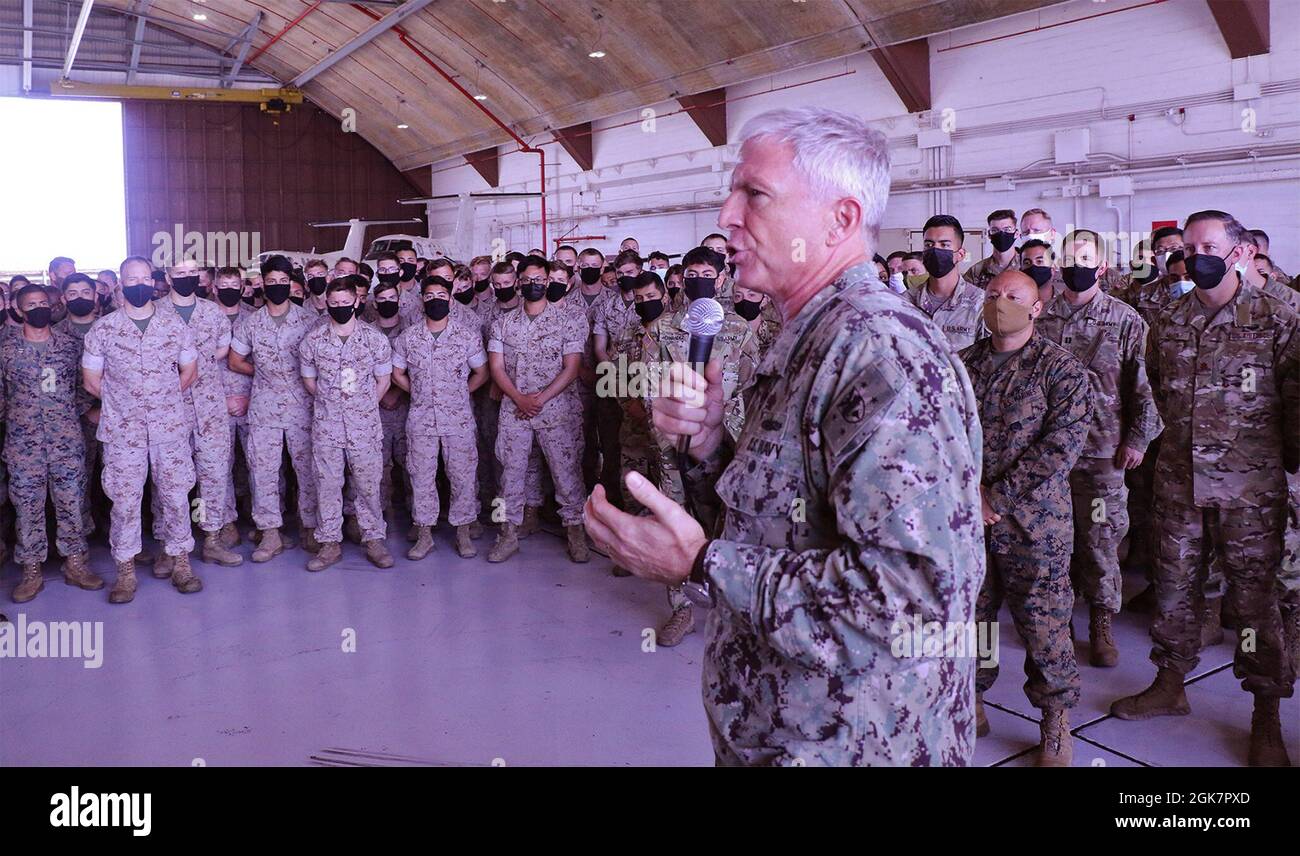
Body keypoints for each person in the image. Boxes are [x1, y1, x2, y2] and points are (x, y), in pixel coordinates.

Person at [585, 106, 984, 766]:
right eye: (732, 191)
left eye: (755, 195)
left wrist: (701, 564)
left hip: (856, 743)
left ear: (841, 219)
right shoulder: (807, 337)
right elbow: (781, 521)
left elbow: (910, 607)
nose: (726, 217)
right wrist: (712, 444)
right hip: (784, 729)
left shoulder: (880, 352)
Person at [1112, 210, 1298, 767]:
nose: (1196, 257)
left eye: (1208, 246)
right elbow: (1149, 392)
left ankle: (1264, 712)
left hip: (1251, 489)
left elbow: (1296, 404)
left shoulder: (1279, 315)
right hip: (1176, 482)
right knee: (1173, 588)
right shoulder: (1167, 316)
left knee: (1252, 601)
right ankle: (1170, 683)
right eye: (1189, 249)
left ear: (1239, 251)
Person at [961, 269, 1090, 765]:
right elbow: (941, 430)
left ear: (1036, 308)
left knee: (1044, 622)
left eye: (1014, 296)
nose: (1000, 303)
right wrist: (968, 492)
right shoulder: (963, 364)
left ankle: (1055, 719)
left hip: (1035, 523)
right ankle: (970, 698)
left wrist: (998, 497)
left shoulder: (1061, 369)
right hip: (968, 519)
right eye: (993, 295)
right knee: (973, 616)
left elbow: (1061, 446)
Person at [1035, 230, 1162, 667]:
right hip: (1048, 453)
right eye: (1068, 258)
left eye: (1084, 258)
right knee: (1054, 541)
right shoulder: (1041, 315)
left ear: (1102, 266)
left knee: (1100, 541)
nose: (1075, 265)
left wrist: (1138, 440)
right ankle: (1059, 621)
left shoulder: (1125, 320)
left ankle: (1102, 622)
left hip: (1102, 453)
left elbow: (1144, 387)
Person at [82, 256, 201, 603]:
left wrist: (159, 397)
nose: (138, 284)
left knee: (177, 497)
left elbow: (189, 371)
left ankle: (181, 562)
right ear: (120, 284)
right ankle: (125, 571)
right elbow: (91, 381)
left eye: (144, 278)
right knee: (124, 501)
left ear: (154, 282)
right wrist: (125, 402)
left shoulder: (174, 325)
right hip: (123, 432)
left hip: (169, 428)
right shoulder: (103, 329)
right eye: (131, 279)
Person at [486, 255, 589, 564]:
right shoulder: (502, 322)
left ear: (549, 281)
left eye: (539, 280)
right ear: (519, 283)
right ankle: (508, 534)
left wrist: (539, 399)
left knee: (566, 472)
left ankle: (575, 532)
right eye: (527, 280)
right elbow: (496, 367)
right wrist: (519, 398)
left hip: (556, 409)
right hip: (514, 409)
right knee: (510, 474)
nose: (533, 285)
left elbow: (572, 368)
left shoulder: (567, 320)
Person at [3, 283, 100, 602]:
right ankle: (31, 570)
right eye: (30, 304)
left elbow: (83, 387)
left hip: (66, 441)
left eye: (43, 302)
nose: (38, 308)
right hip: (23, 443)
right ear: (18, 310)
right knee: (27, 508)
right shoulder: (5, 348)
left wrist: (73, 414)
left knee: (72, 503)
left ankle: (75, 564)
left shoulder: (70, 346)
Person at [297, 278, 395, 571]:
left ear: (356, 302)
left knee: (367, 484)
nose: (340, 308)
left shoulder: (375, 339)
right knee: (326, 485)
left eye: (345, 303)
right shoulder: (312, 341)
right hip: (327, 426)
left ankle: (374, 539)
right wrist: (333, 403)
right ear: (327, 303)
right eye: (334, 303)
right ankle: (329, 543)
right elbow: (309, 381)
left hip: (364, 426)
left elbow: (384, 380)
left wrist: (361, 406)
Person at [228, 255, 321, 562]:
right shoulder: (250, 323)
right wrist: (265, 374)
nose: (278, 287)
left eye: (284, 282)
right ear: (263, 285)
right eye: (272, 282)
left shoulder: (309, 320)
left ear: (293, 284)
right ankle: (270, 533)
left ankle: (310, 526)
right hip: (264, 407)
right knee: (263, 470)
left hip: (303, 406)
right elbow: (235, 360)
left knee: (307, 468)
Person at [391, 276, 489, 560]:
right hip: (421, 419)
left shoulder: (466, 336)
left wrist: (460, 394)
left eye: (441, 294)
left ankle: (462, 531)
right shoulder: (408, 337)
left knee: (462, 475)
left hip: (457, 419)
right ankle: (424, 534)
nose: (436, 299)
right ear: (422, 299)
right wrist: (420, 392)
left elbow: (482, 372)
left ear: (450, 298)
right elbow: (397, 373)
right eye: (430, 295)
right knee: (421, 476)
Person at [155, 258, 242, 569]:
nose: (187, 278)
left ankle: (211, 539)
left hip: (209, 407)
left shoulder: (212, 312)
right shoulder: (156, 312)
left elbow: (221, 348)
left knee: (212, 474)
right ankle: (172, 545)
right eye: (180, 273)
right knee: (171, 478)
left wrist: (199, 363)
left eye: (193, 273)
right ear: (168, 277)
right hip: (169, 407)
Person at [905, 214, 987, 350]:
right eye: (929, 244)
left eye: (944, 245)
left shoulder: (981, 304)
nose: (935, 250)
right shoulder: (905, 301)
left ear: (960, 254)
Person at [962, 209, 1019, 289]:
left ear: (1016, 234)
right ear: (989, 235)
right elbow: (963, 298)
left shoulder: (1026, 266)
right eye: (995, 230)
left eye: (1007, 229)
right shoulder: (976, 271)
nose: (1001, 234)